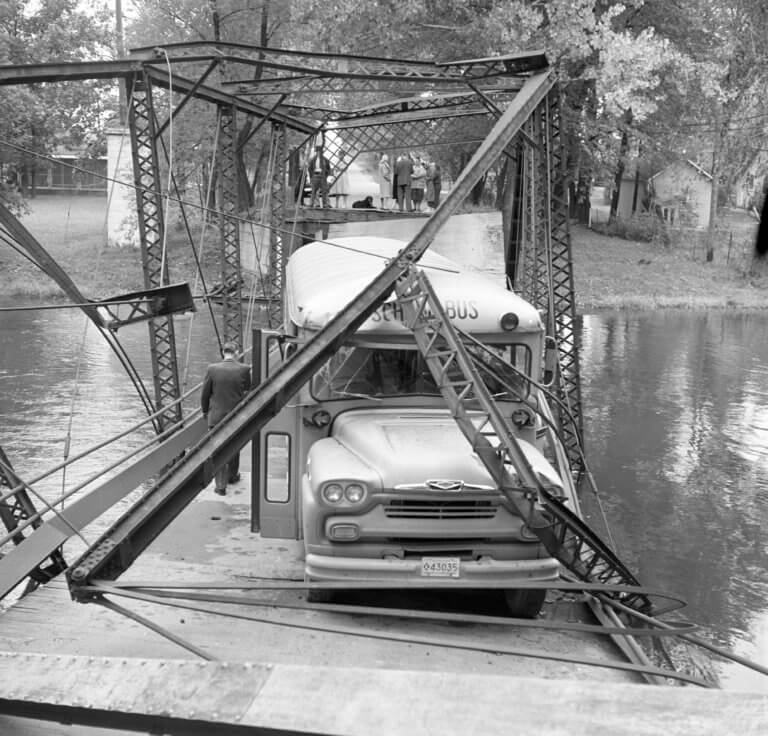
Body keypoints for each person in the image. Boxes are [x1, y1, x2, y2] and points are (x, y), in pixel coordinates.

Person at [201, 341, 252, 495]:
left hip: (216, 416)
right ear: (236, 352)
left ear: (223, 352)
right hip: (235, 416)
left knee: (218, 449)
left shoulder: (212, 369)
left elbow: (205, 394)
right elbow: (248, 390)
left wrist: (205, 411)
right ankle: (232, 476)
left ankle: (220, 486)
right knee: (233, 446)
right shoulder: (244, 369)